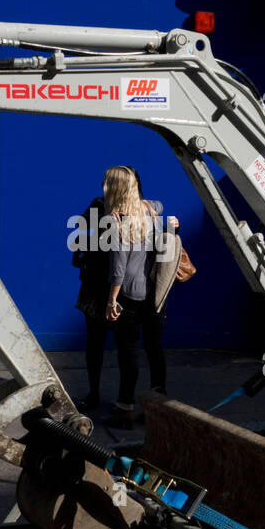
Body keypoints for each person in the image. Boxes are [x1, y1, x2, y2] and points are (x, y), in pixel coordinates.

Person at [102, 167, 177, 429]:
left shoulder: (114, 220)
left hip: (129, 296)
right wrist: (151, 206)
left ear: (113, 188)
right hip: (156, 294)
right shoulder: (150, 211)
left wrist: (112, 300)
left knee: (129, 353)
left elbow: (118, 268)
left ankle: (124, 411)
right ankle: (158, 407)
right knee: (155, 349)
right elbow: (160, 203)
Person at [71, 168, 144, 409]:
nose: (102, 184)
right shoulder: (130, 208)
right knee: (117, 345)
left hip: (106, 285)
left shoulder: (122, 208)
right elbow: (80, 231)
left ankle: (106, 397)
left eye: (106, 181)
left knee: (103, 343)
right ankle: (120, 400)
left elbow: (80, 231)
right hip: (112, 286)